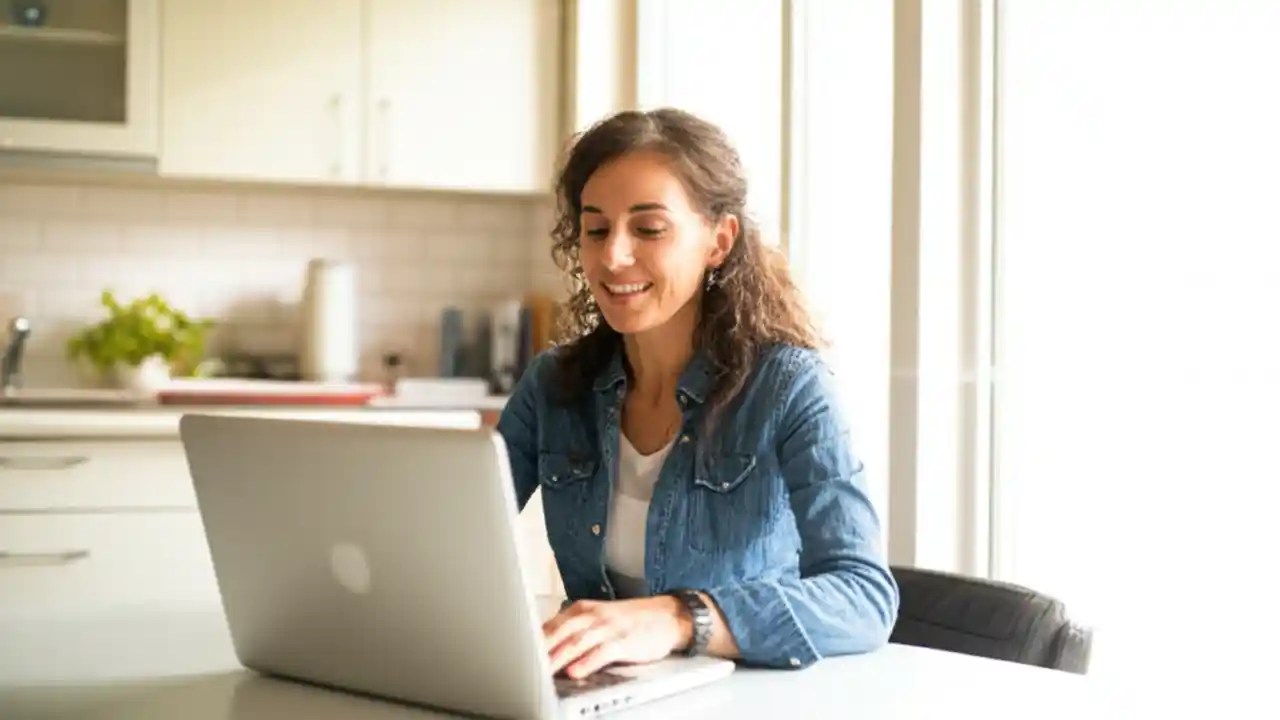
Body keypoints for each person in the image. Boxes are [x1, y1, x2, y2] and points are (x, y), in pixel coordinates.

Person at [496, 108, 898, 681]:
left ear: (719, 240)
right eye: (596, 228)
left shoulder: (789, 387)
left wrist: (678, 619)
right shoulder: (553, 386)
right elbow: (452, 541)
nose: (613, 256)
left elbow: (864, 598)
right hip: (594, 695)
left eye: (649, 229)